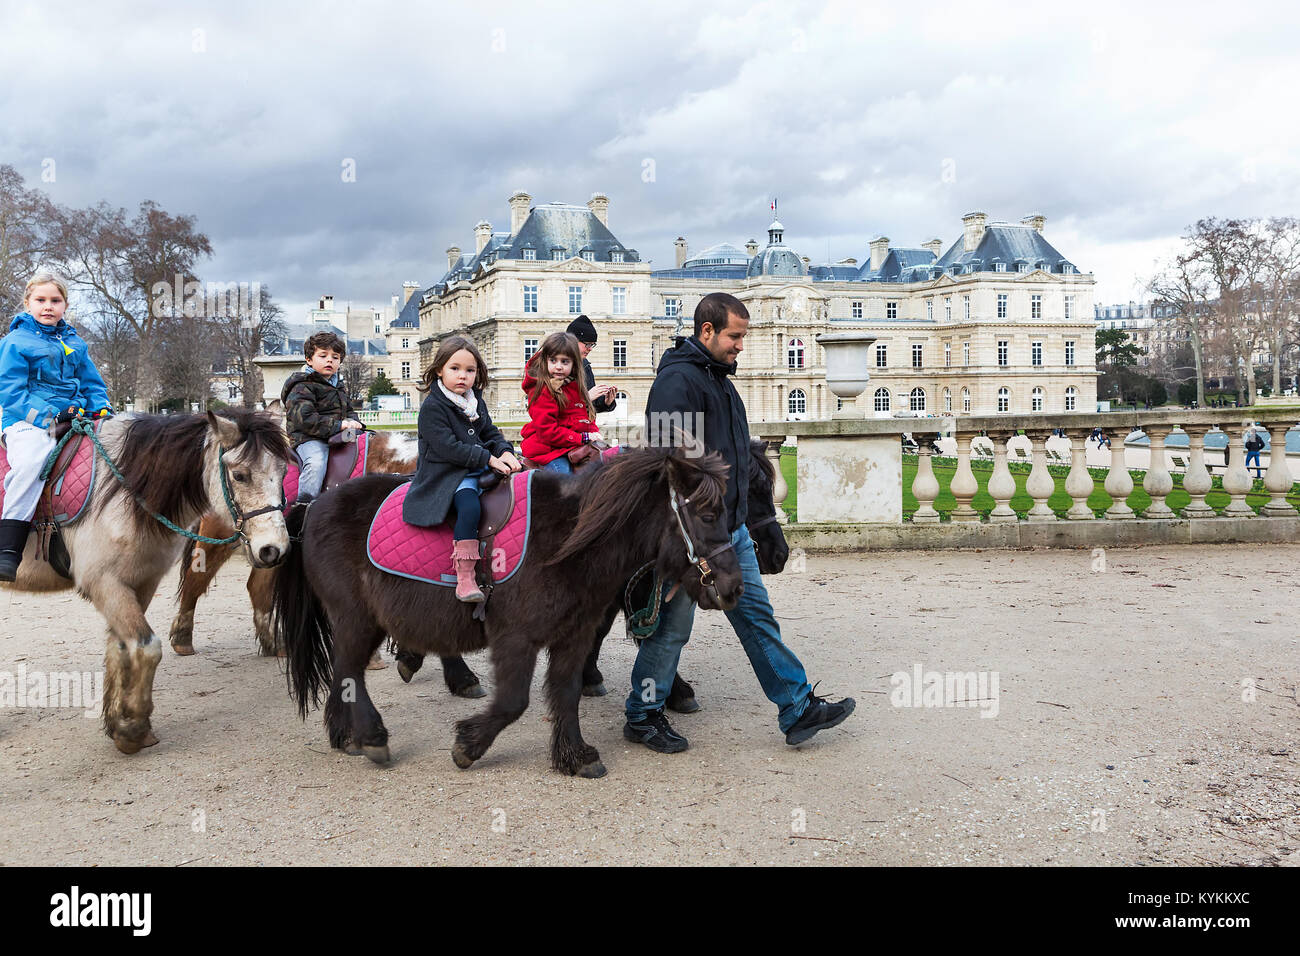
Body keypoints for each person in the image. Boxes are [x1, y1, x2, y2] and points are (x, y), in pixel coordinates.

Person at [623, 292, 855, 753]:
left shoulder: (719, 381)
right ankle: (643, 714)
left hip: (729, 532)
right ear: (706, 330)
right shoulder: (678, 381)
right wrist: (682, 543)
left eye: (743, 336)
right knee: (672, 628)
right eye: (735, 336)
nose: (741, 345)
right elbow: (663, 461)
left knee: (755, 618)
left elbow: (733, 457)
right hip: (690, 538)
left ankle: (797, 707)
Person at [0, 272, 113, 582]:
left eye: (55, 300)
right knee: (32, 463)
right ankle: (8, 549)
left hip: (76, 416)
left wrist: (102, 407)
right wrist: (51, 415)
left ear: (65, 305)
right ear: (27, 303)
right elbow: (11, 393)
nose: (47, 306)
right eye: (40, 300)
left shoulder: (75, 342)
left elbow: (92, 383)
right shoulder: (14, 343)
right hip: (27, 421)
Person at [402, 336, 521, 602]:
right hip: (447, 475)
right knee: (470, 508)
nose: (462, 376)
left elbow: (489, 432)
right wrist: (489, 460)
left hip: (475, 468)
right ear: (439, 370)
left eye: (470, 370)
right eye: (455, 368)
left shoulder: (473, 400)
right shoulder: (432, 407)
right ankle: (465, 577)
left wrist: (505, 451)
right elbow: (449, 448)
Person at [281, 331, 364, 502]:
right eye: (323, 355)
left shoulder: (338, 386)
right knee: (316, 462)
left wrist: (354, 422)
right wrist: (339, 425)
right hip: (308, 438)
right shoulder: (302, 385)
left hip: (335, 435)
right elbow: (304, 419)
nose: (329, 360)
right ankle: (304, 505)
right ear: (309, 359)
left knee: (366, 447)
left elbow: (348, 410)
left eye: (335, 357)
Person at [520, 332, 600, 474]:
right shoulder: (543, 391)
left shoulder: (573, 385)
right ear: (545, 361)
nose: (558, 366)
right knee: (567, 482)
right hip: (548, 450)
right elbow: (547, 431)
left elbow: (582, 416)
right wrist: (583, 438)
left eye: (565, 362)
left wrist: (594, 432)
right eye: (553, 361)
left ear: (574, 363)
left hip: (568, 445)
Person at [565, 315, 618, 414]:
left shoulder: (584, 364)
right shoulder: (553, 366)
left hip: (583, 426)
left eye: (592, 344)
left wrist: (606, 402)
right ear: (572, 340)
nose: (590, 348)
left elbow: (591, 404)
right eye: (587, 344)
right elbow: (552, 407)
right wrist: (585, 398)